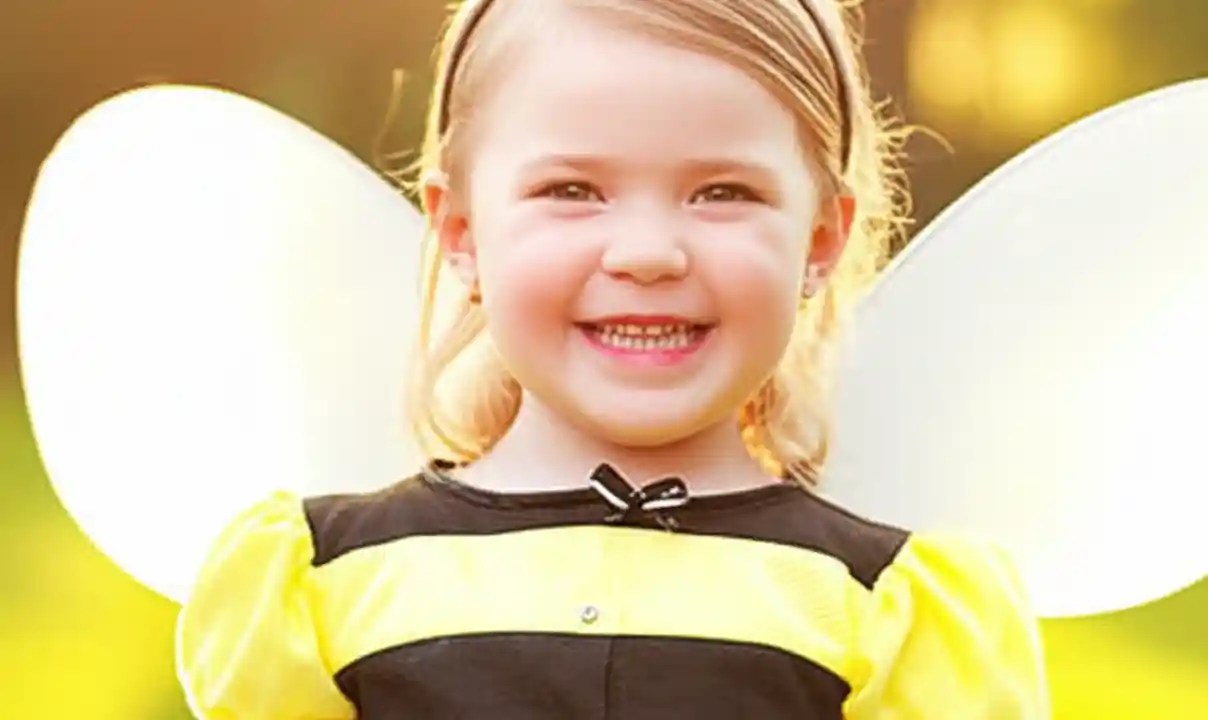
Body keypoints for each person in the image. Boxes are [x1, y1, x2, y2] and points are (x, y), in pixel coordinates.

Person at [176, 0, 1051, 717]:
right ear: (462, 231)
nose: (647, 253)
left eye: (722, 192)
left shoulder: (879, 605)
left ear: (820, 240)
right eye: (572, 190)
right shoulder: (331, 582)